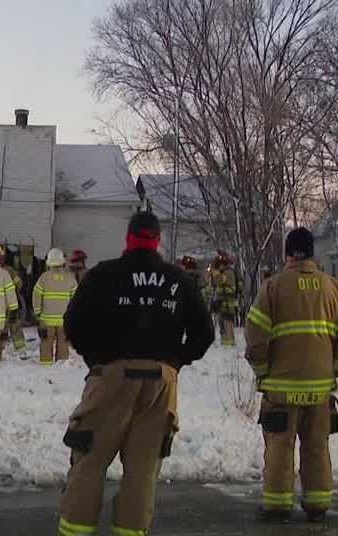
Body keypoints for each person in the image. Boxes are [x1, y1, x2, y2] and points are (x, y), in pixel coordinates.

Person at [57, 211, 214, 535]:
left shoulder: (104, 275)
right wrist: (175, 362)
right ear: (157, 241)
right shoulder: (179, 280)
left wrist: (97, 360)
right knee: (143, 469)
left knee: (90, 458)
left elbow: (73, 323)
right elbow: (204, 334)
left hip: (111, 376)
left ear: (128, 238)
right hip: (161, 383)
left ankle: (76, 530)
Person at [245, 228, 338, 523]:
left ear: (288, 255)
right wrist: (333, 368)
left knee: (279, 448)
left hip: (281, 389)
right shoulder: (333, 288)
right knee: (317, 446)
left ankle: (277, 506)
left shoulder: (273, 288)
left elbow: (255, 337)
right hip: (319, 390)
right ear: (312, 254)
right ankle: (318, 504)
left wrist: (262, 371)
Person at [33, 248, 75, 365]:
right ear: (62, 262)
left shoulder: (43, 278)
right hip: (64, 320)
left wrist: (38, 312)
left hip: (46, 319)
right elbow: (76, 299)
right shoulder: (70, 278)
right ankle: (61, 365)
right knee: (63, 344)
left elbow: (36, 295)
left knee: (46, 343)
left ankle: (45, 365)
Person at [210, 251, 239, 346]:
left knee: (227, 324)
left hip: (227, 303)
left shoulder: (228, 272)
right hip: (225, 303)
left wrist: (215, 270)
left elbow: (217, 280)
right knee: (224, 324)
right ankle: (226, 343)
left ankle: (229, 344)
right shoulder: (227, 271)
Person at [2, 247, 27, 350]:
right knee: (14, 322)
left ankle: (0, 345)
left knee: (1, 324)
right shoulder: (10, 270)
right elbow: (19, 283)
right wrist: (15, 292)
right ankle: (19, 345)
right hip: (10, 301)